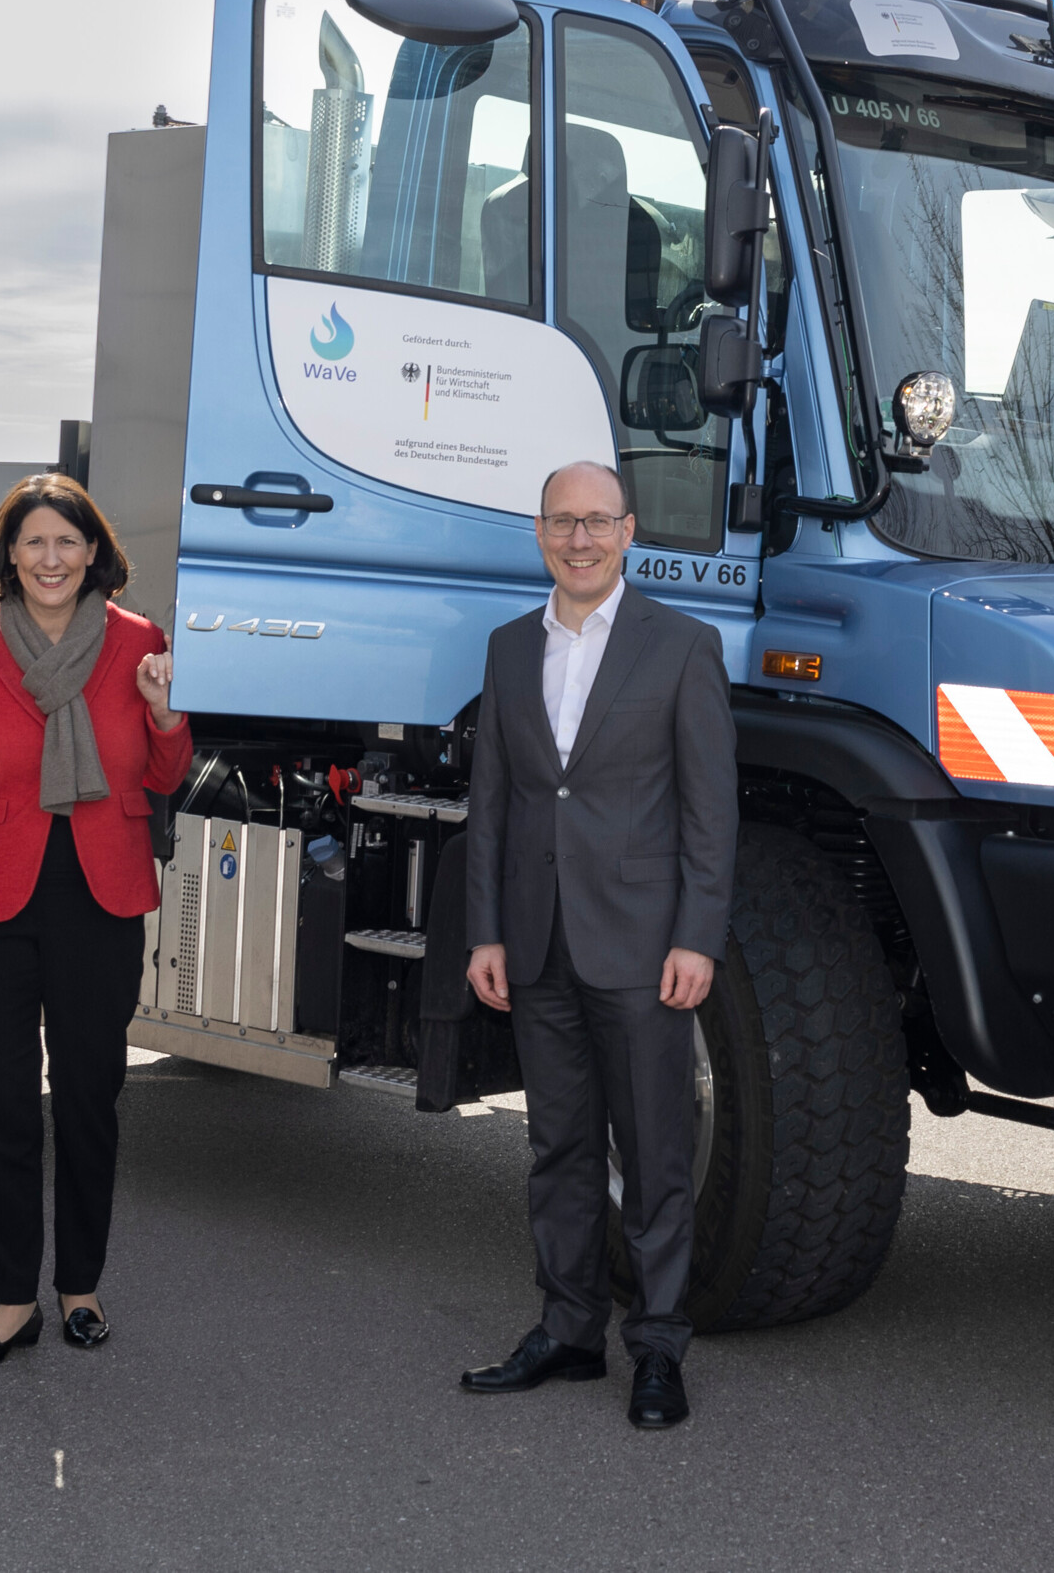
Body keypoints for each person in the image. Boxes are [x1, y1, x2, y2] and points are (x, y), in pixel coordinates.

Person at [456, 460, 737, 1430]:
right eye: (562, 521)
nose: (579, 539)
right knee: (559, 1148)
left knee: (655, 1155)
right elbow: (492, 803)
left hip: (643, 948)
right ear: (540, 533)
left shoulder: (684, 646)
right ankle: (569, 1330)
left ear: (628, 532)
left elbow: (710, 813)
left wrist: (697, 937)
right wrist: (486, 931)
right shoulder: (507, 648)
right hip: (537, 943)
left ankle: (657, 1347)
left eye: (596, 521)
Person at [0, 475, 194, 1369]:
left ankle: (80, 1288)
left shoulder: (140, 643)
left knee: (87, 1100)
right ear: (9, 554)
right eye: (33, 541)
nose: (51, 558)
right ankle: (11, 1300)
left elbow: (162, 776)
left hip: (100, 900)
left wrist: (164, 713)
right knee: (0, 1104)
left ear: (93, 550)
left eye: (67, 541)